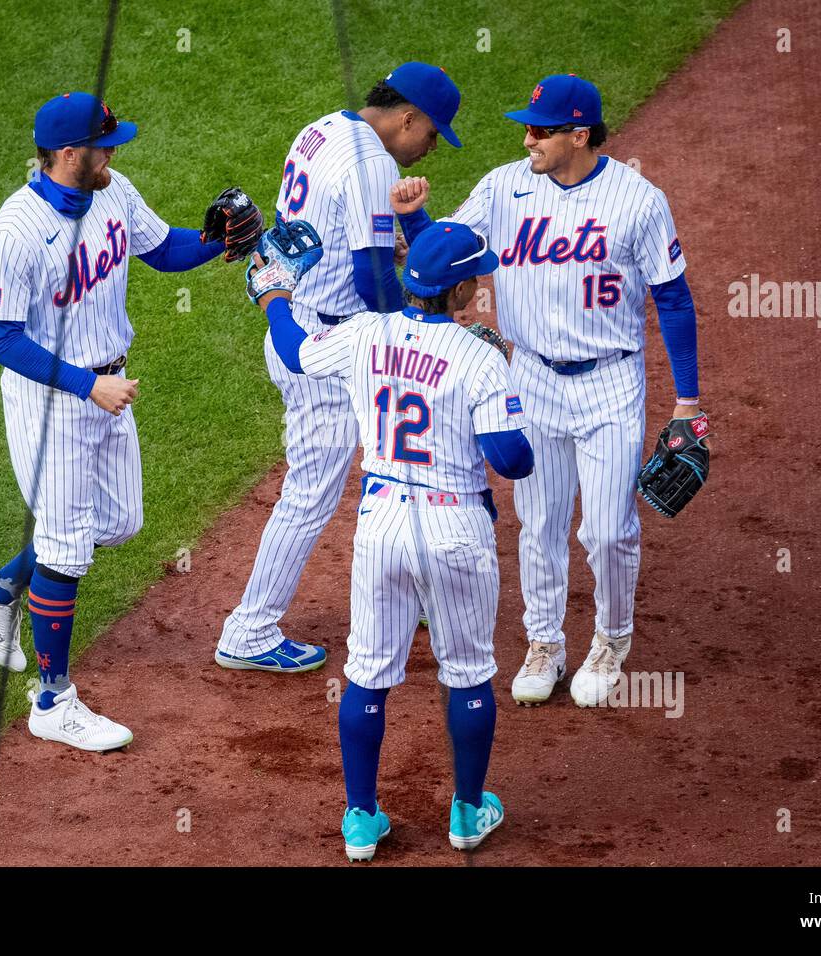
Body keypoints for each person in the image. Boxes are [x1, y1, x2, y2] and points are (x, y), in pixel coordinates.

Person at [0, 91, 261, 750]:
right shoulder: (13, 234)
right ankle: (52, 700)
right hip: (54, 400)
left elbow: (164, 250)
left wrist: (216, 241)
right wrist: (86, 384)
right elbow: (1, 339)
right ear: (69, 154)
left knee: (117, 522)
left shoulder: (113, 190)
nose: (116, 151)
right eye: (106, 143)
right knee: (67, 544)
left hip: (107, 384)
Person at [391, 74, 705, 707]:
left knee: (610, 530)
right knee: (538, 524)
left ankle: (611, 639)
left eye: (540, 130)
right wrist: (413, 213)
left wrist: (688, 401)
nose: (527, 138)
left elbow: (672, 296)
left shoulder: (638, 201)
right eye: (525, 127)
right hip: (530, 377)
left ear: (579, 135)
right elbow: (440, 254)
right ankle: (545, 641)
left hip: (611, 380)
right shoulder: (504, 187)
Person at [244, 218, 533, 861]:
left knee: (367, 675)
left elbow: (294, 351)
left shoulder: (365, 333)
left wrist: (272, 294)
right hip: (455, 522)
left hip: (380, 523)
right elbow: (511, 461)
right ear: (461, 290)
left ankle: (361, 820)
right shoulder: (480, 356)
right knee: (468, 672)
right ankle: (466, 812)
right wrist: (503, 391)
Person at [214, 63, 464, 673]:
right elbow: (371, 280)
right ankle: (248, 630)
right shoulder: (373, 162)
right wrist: (409, 322)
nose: (429, 148)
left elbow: (324, 234)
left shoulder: (322, 128)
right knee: (312, 491)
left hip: (306, 316)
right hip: (325, 344)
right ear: (407, 116)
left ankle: (418, 580)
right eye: (431, 135)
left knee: (406, 448)